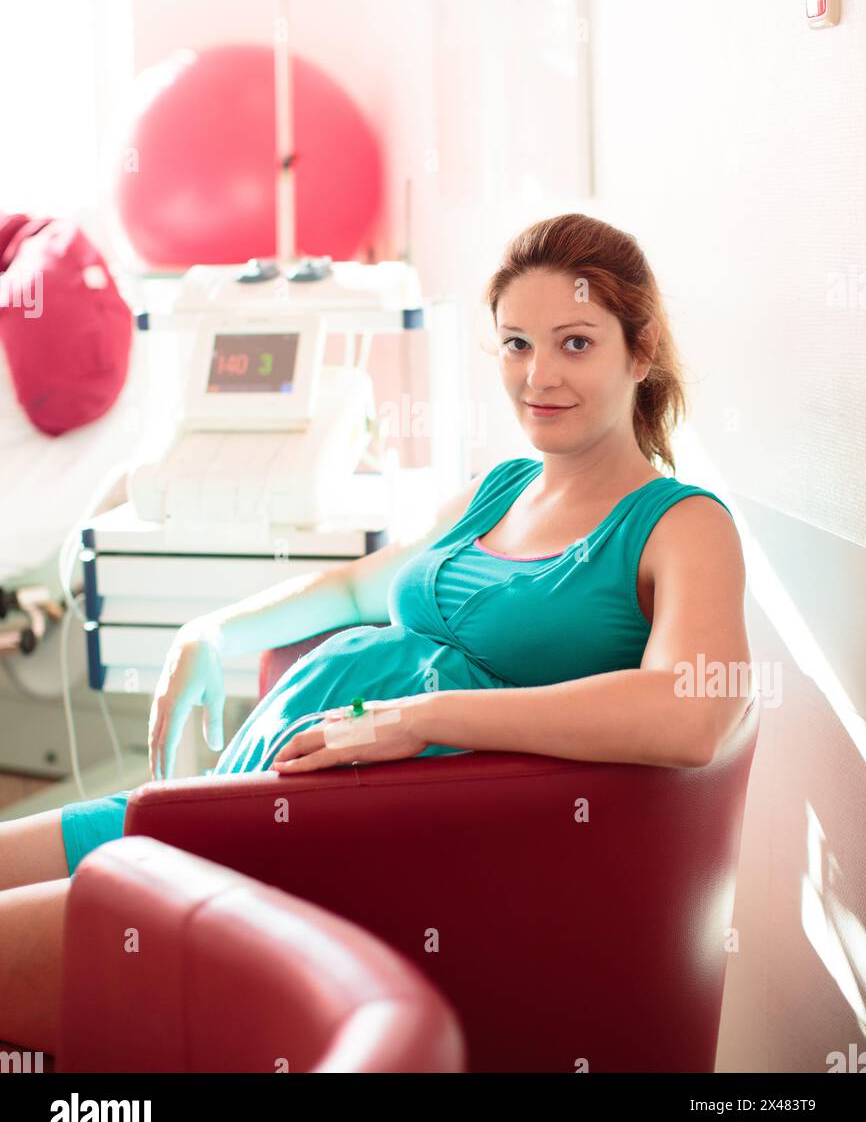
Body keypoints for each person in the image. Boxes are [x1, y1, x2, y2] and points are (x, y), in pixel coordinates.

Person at [0, 212, 752, 1052]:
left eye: (575, 343)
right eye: (514, 344)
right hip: (250, 786)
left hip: (343, 853)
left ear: (639, 352)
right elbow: (364, 586)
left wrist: (420, 718)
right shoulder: (502, 488)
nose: (538, 375)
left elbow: (695, 712)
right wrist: (214, 632)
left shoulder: (679, 524)